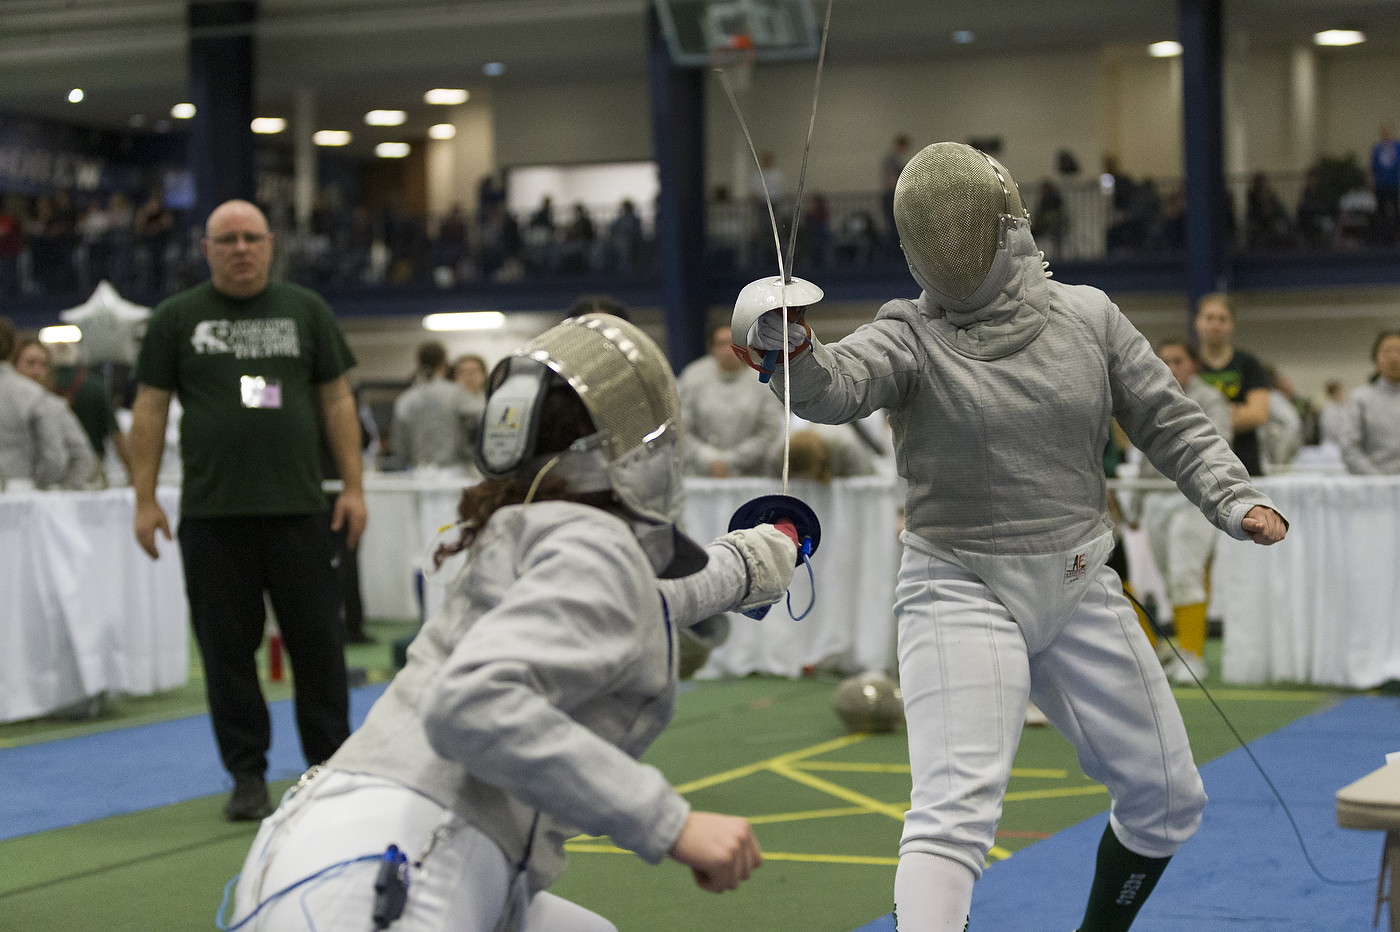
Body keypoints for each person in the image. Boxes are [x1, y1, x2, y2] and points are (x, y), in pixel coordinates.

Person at [739, 142, 1287, 932]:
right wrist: (791, 349)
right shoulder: (910, 334)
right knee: (953, 814)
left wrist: (1233, 499)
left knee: (1167, 799)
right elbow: (837, 383)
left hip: (1078, 579)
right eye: (937, 233)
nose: (953, 247)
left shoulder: (1089, 317)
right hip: (956, 584)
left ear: (1008, 223)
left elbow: (1168, 419)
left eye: (965, 227)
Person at [227, 314, 796, 932]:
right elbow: (472, 701)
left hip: (330, 848)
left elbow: (647, 597)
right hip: (396, 870)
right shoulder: (590, 544)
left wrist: (749, 563)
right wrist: (671, 823)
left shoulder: (534, 535)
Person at [128, 199, 367, 822]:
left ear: (271, 244)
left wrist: (354, 487)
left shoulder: (305, 310)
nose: (240, 249)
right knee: (226, 655)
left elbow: (337, 401)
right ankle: (248, 775)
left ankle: (329, 772)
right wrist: (144, 499)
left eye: (251, 238)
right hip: (213, 518)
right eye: (226, 239)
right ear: (205, 249)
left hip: (299, 512)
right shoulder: (176, 319)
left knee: (319, 650)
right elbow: (149, 411)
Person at [1132, 340, 1233, 684]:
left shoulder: (1209, 398)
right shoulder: (1149, 395)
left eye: (1178, 360)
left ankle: (1194, 657)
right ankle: (1179, 651)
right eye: (1165, 360)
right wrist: (1135, 502)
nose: (1171, 366)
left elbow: (1220, 441)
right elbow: (1143, 452)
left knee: (1185, 572)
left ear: (1192, 365)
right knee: (1168, 579)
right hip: (1155, 497)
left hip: (1192, 496)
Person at [676, 325, 785, 478]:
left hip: (749, 476)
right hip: (701, 475)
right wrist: (708, 458)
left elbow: (770, 431)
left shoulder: (763, 381)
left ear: (745, 347)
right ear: (712, 348)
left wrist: (731, 460)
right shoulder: (693, 377)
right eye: (721, 344)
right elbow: (681, 428)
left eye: (733, 344)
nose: (727, 351)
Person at [1193, 292, 1271, 476]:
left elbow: (1258, 414)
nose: (1215, 325)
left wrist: (1204, 417)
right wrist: (1235, 411)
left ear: (1232, 325)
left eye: (1222, 319)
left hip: (1245, 463)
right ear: (1197, 322)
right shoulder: (1187, 365)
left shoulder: (1248, 364)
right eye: (1209, 318)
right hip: (1200, 465)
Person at [11, 337, 97, 489]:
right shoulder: (5, 405)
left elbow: (83, 456)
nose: (37, 371)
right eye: (30, 363)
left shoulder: (56, 407)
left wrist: (61, 493)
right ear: (14, 365)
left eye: (43, 365)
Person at [48, 339, 132, 483]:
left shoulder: (43, 387)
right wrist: (132, 473)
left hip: (49, 468)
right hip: (92, 466)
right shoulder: (95, 387)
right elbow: (116, 435)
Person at [0, 316, 70, 489]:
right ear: (15, 348)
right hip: (18, 493)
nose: (37, 371)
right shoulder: (33, 394)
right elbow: (54, 456)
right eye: (30, 363)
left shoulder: (36, 396)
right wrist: (38, 488)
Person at [391, 341, 483, 470]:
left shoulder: (405, 400)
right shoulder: (457, 394)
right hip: (454, 472)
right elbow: (483, 419)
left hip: (417, 473)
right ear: (444, 362)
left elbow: (399, 445)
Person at [1340, 329, 1400, 475]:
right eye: (1386, 352)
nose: (1393, 358)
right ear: (1376, 361)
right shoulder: (1360, 398)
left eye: (1398, 351)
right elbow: (1349, 447)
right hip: (1373, 488)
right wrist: (1379, 481)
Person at [1372, 125, 1399, 240]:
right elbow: (1373, 168)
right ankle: (1382, 236)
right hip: (1380, 184)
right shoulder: (1377, 149)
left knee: (1395, 209)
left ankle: (1396, 235)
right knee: (1381, 211)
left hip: (1393, 184)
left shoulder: (1397, 147)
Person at [1318, 379, 1348, 447]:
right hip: (1332, 446)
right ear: (1334, 393)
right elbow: (1332, 430)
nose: (1342, 394)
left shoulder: (1341, 408)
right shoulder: (1328, 410)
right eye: (1340, 391)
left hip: (1340, 444)